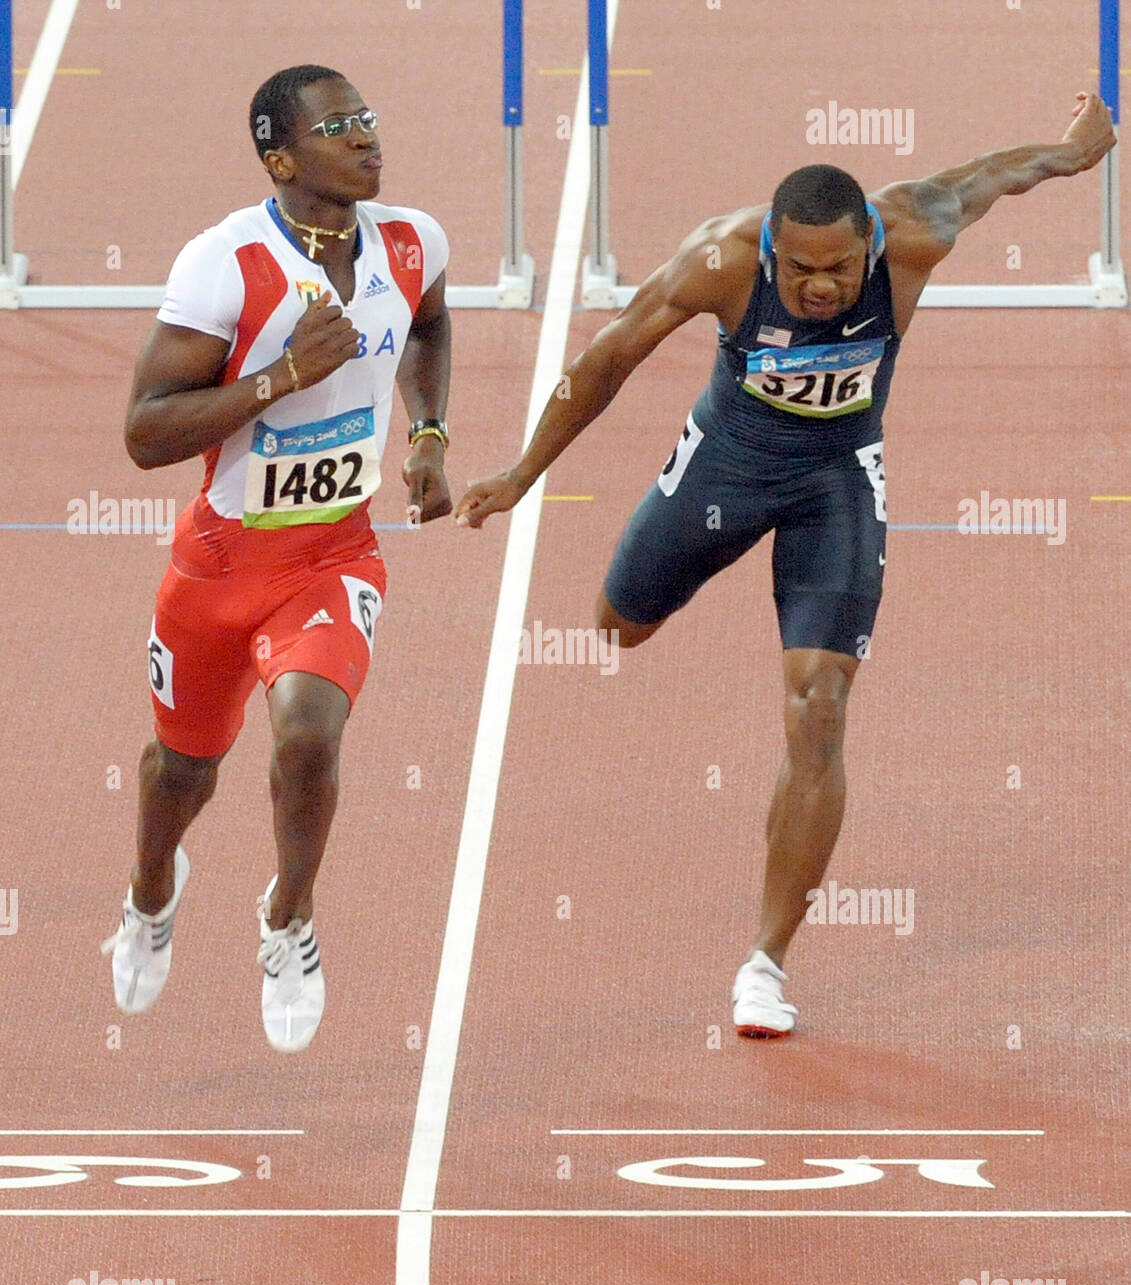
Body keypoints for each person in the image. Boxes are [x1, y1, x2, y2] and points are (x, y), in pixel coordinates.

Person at [454, 93, 1114, 1038]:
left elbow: (984, 178)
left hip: (835, 479)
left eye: (840, 269)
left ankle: (764, 963)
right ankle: (647, 590)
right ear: (768, 249)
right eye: (799, 270)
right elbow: (606, 359)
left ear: (869, 246)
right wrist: (522, 472)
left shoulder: (914, 231)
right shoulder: (718, 260)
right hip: (721, 463)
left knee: (818, 704)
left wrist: (1065, 152)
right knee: (617, 627)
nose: (819, 288)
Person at [101, 65, 452, 1052]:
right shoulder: (225, 263)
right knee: (182, 771)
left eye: (369, 119)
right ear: (282, 156)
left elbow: (427, 326)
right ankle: (149, 891)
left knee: (308, 736)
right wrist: (284, 375)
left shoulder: (412, 241)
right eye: (339, 128)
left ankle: (290, 918)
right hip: (218, 564)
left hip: (333, 555)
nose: (367, 138)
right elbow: (146, 431)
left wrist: (428, 436)